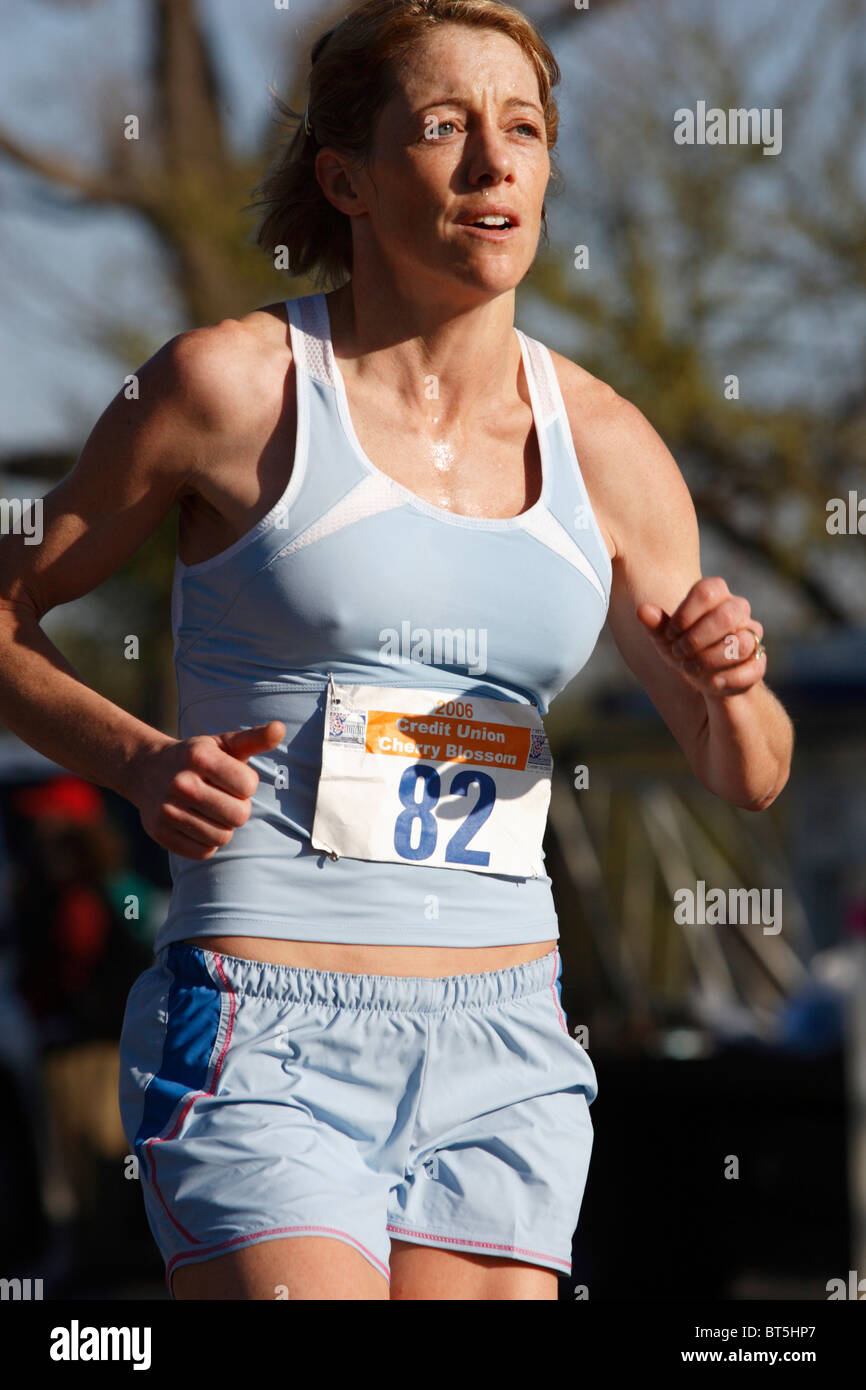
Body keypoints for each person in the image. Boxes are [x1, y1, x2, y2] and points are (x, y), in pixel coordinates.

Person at [0, 0, 794, 1301]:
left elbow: (746, 770)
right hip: (268, 1023)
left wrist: (732, 684)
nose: (494, 164)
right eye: (444, 128)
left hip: (503, 1035)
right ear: (347, 179)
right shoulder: (227, 390)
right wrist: (138, 762)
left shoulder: (605, 445)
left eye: (523, 130)